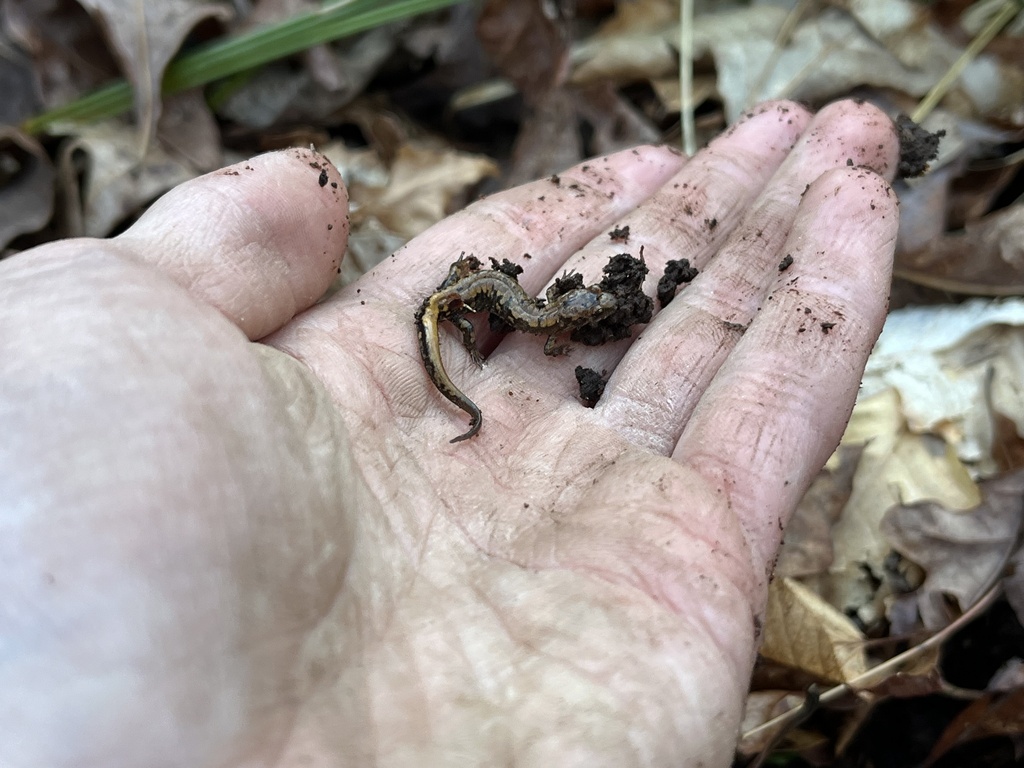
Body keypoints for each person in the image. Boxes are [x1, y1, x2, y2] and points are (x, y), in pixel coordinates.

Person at [0, 99, 899, 767]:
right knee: (467, 339)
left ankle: (462, 382)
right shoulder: (532, 324)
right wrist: (473, 343)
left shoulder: (545, 318)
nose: (575, 329)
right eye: (578, 322)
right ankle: (459, 390)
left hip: (470, 300)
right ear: (566, 322)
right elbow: (526, 321)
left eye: (576, 322)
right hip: (454, 302)